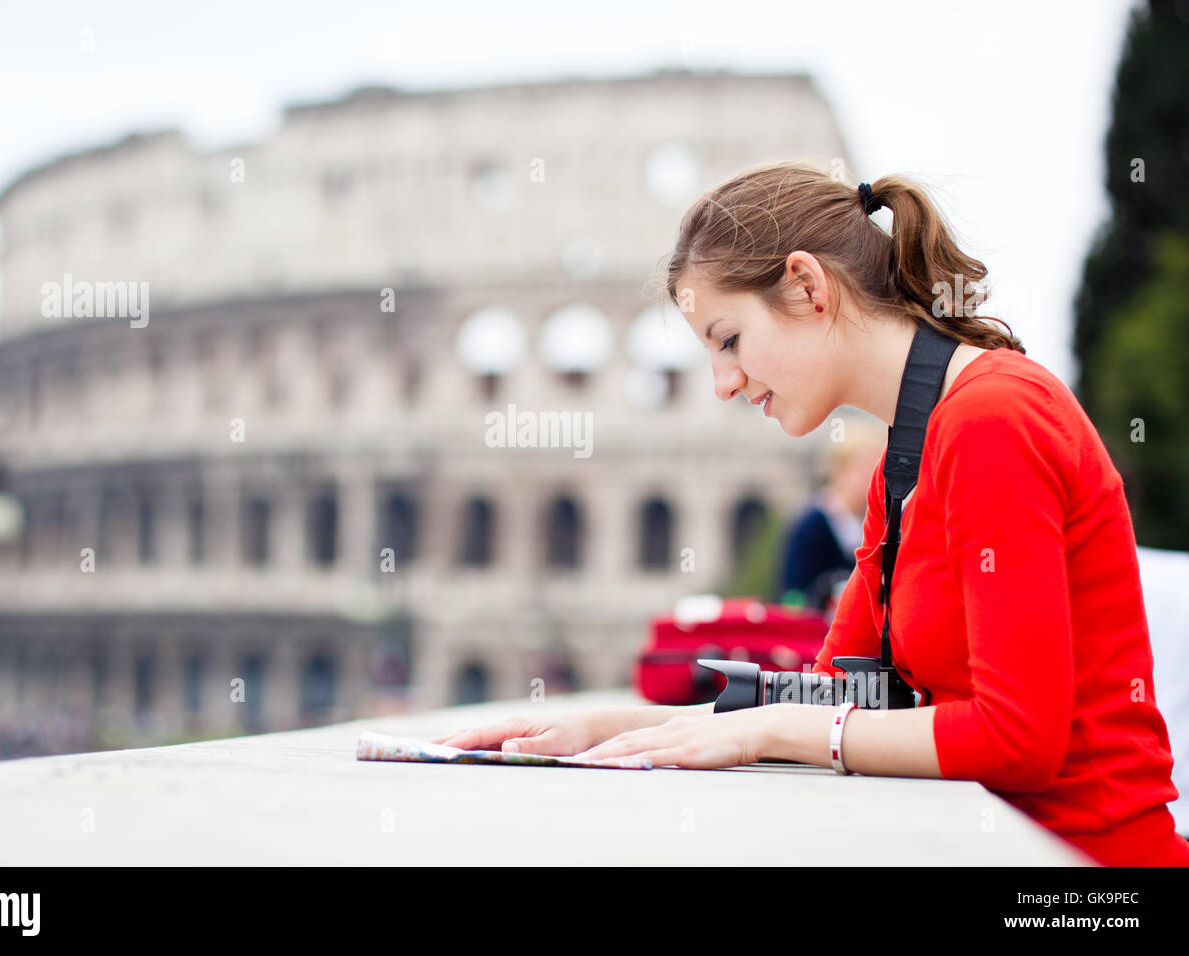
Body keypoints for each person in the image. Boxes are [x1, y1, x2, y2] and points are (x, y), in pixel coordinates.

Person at [432, 161, 1189, 867]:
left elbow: (1017, 738)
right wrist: (606, 727)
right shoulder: (910, 449)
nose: (724, 383)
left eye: (729, 341)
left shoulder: (992, 419)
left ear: (806, 286)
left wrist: (761, 727)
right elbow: (830, 693)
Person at [779, 426, 886, 610]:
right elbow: (792, 596)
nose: (875, 480)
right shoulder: (812, 525)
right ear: (840, 471)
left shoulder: (881, 522)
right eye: (866, 471)